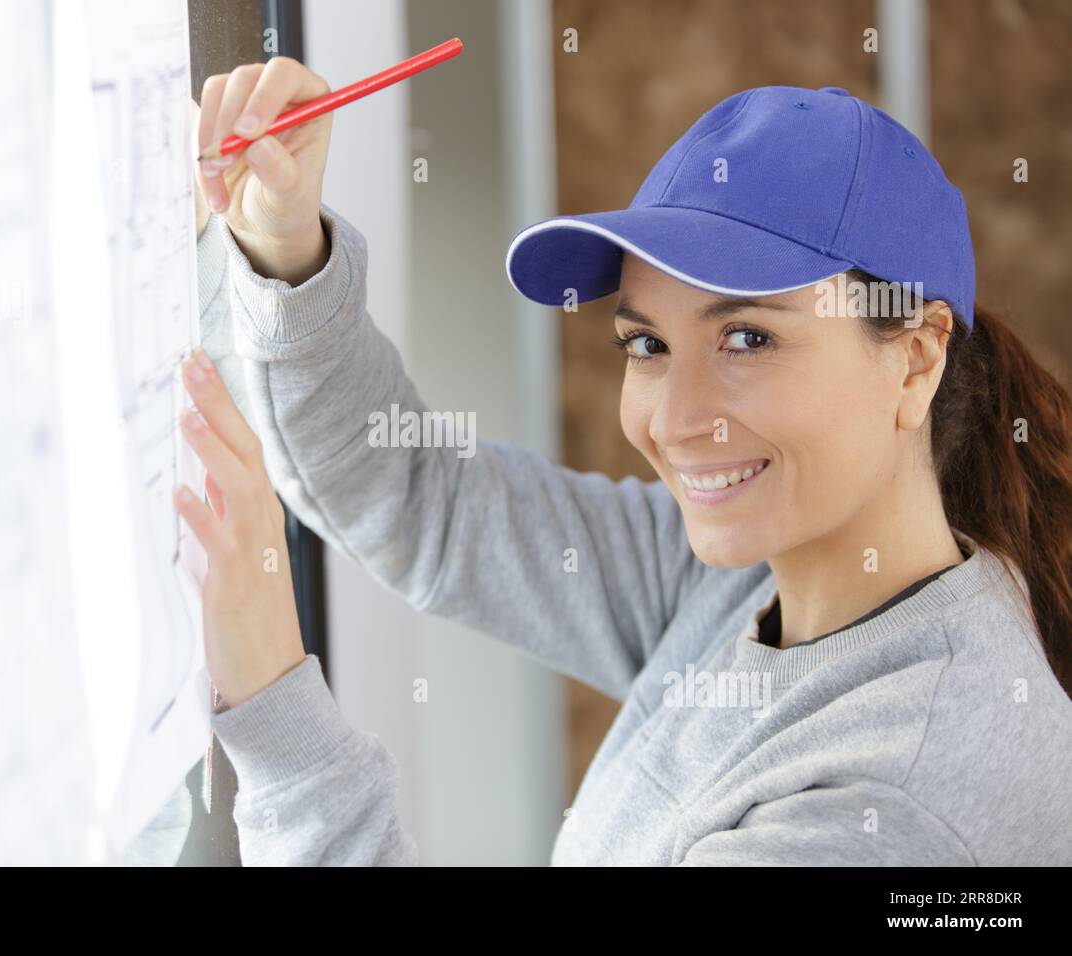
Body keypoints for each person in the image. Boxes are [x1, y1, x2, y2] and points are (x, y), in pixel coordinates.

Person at [176, 59, 1072, 865]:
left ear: (915, 360)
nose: (675, 421)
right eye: (646, 345)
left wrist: (278, 717)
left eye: (748, 336)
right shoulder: (755, 582)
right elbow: (422, 502)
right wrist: (286, 246)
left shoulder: (889, 807)